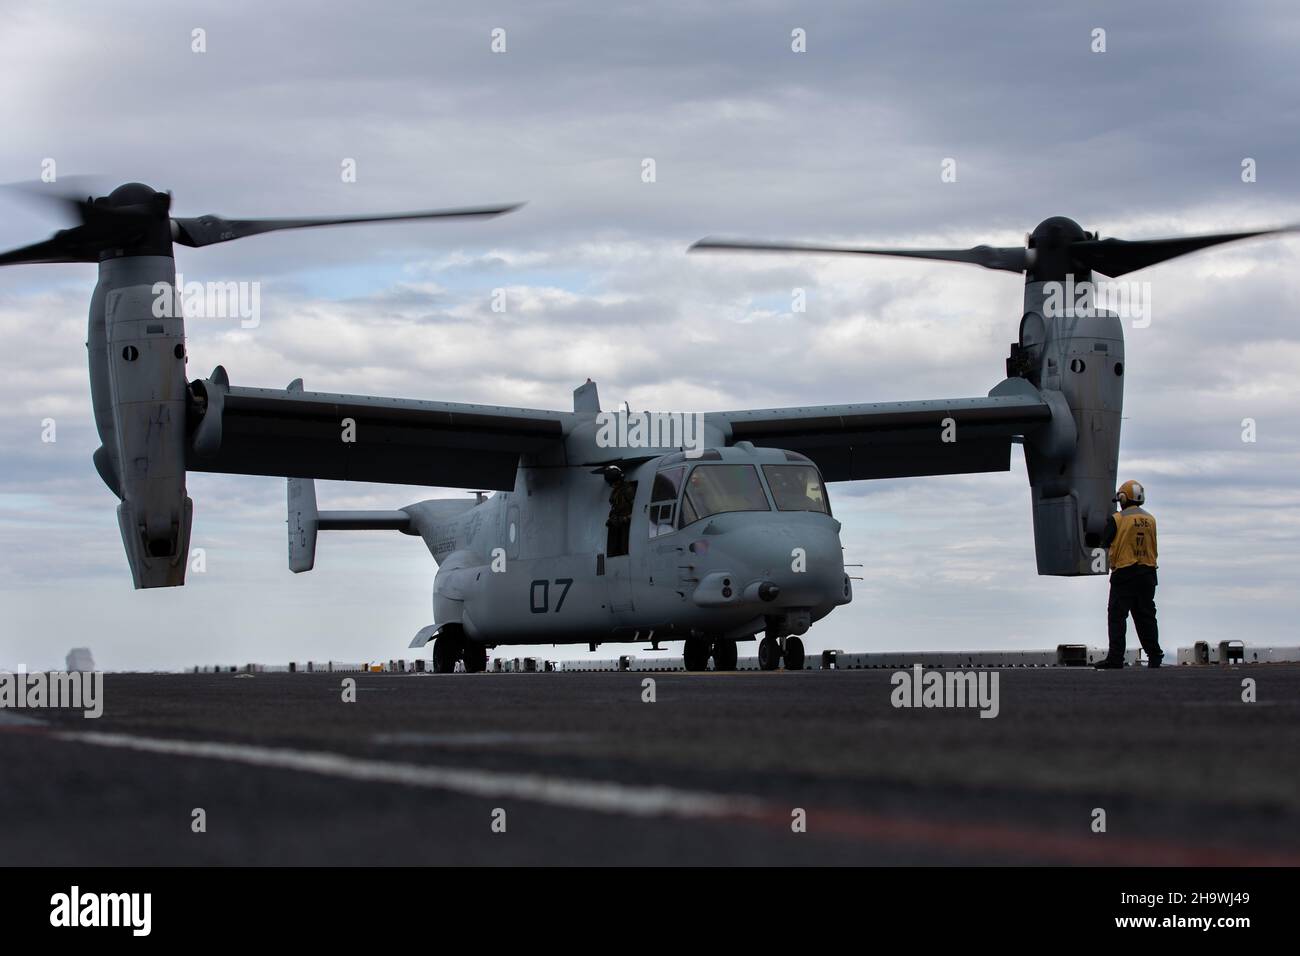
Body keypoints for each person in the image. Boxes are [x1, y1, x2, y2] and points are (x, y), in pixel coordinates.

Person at [1094, 479, 1163, 669]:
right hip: (1148, 573)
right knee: (1146, 616)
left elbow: (1104, 544)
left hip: (1124, 573)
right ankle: (1155, 655)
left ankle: (1116, 658)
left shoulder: (1117, 519)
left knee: (1117, 616)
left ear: (1123, 498)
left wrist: (1097, 565)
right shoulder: (1151, 519)